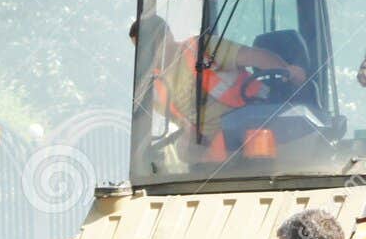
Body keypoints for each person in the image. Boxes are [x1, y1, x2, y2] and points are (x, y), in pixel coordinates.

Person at [130, 14, 307, 162]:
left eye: (150, 43)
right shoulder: (156, 89)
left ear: (167, 34)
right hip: (222, 154)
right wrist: (187, 144)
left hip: (258, 121)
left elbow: (255, 57)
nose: (147, 52)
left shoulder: (201, 49)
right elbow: (188, 128)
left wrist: (289, 73)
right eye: (141, 48)